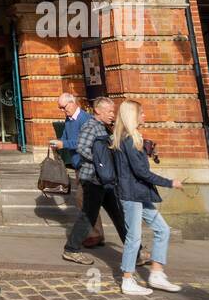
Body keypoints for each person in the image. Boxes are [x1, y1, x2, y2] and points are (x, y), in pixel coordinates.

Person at [61, 95, 147, 267]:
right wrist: (101, 161)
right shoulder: (91, 126)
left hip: (105, 180)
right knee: (88, 216)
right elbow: (82, 147)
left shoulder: (105, 127)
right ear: (98, 111)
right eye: (108, 111)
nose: (112, 114)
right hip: (92, 179)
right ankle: (71, 250)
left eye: (113, 111)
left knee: (119, 215)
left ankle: (136, 252)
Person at [112, 99, 183, 296]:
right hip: (132, 195)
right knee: (134, 238)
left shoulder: (129, 139)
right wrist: (170, 182)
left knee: (163, 230)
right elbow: (142, 172)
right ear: (132, 116)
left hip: (139, 194)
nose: (145, 116)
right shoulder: (129, 140)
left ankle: (157, 274)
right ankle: (127, 280)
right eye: (141, 113)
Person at [51, 90, 103, 244]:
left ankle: (93, 234)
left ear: (72, 103)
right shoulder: (69, 120)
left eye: (64, 107)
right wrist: (58, 143)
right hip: (78, 166)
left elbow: (82, 143)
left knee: (83, 199)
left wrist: (64, 144)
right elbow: (66, 138)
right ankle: (96, 234)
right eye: (60, 108)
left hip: (88, 166)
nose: (62, 110)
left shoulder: (85, 119)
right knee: (86, 200)